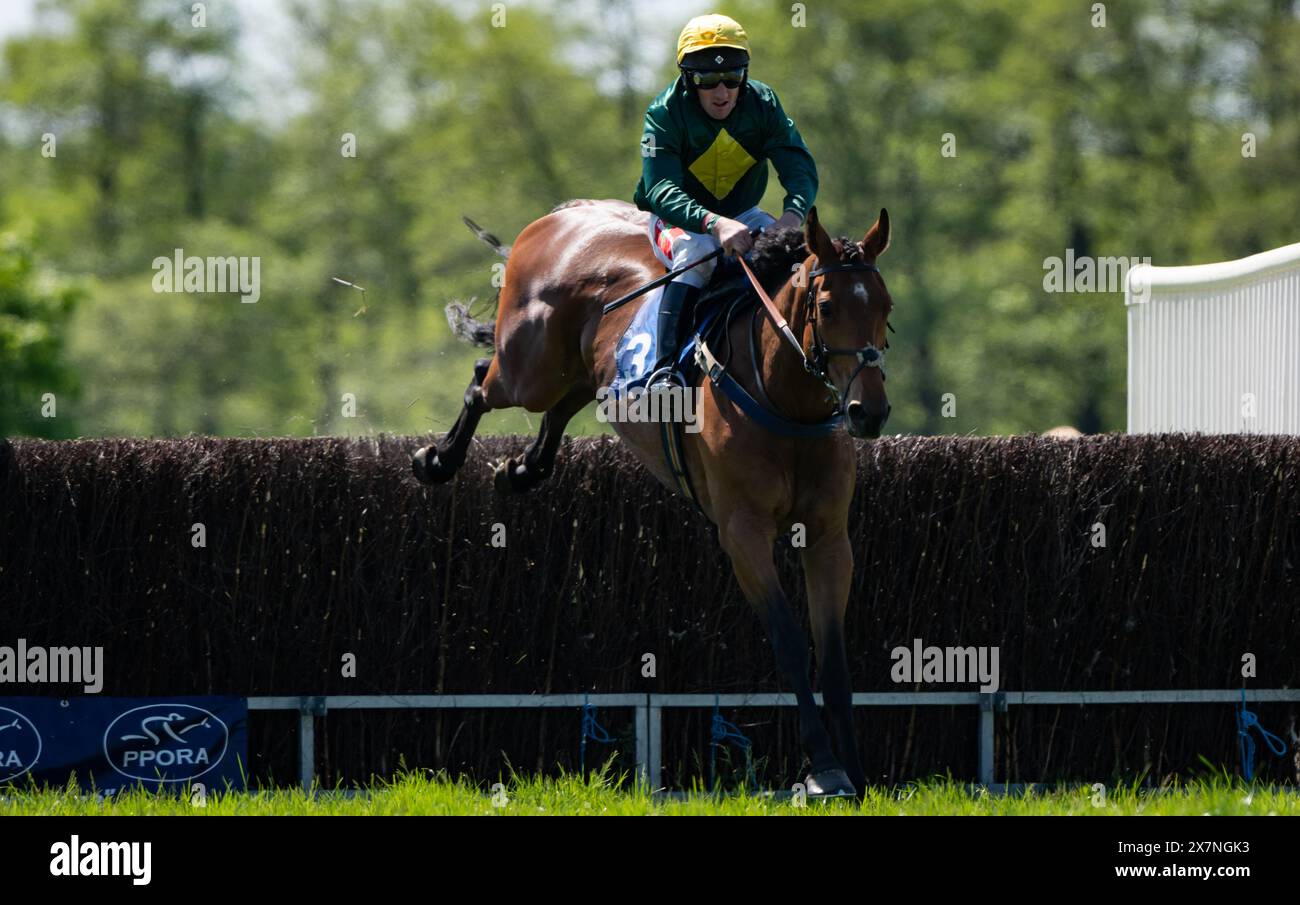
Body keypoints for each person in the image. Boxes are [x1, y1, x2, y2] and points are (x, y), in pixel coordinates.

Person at [633, 13, 819, 389]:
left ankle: (810, 364)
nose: (722, 92)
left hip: (743, 213)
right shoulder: (663, 114)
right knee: (697, 254)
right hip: (678, 221)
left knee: (796, 255)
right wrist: (715, 224)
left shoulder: (764, 103)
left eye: (733, 78)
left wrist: (792, 215)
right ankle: (665, 370)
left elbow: (798, 164)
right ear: (688, 78)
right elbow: (661, 191)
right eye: (707, 80)